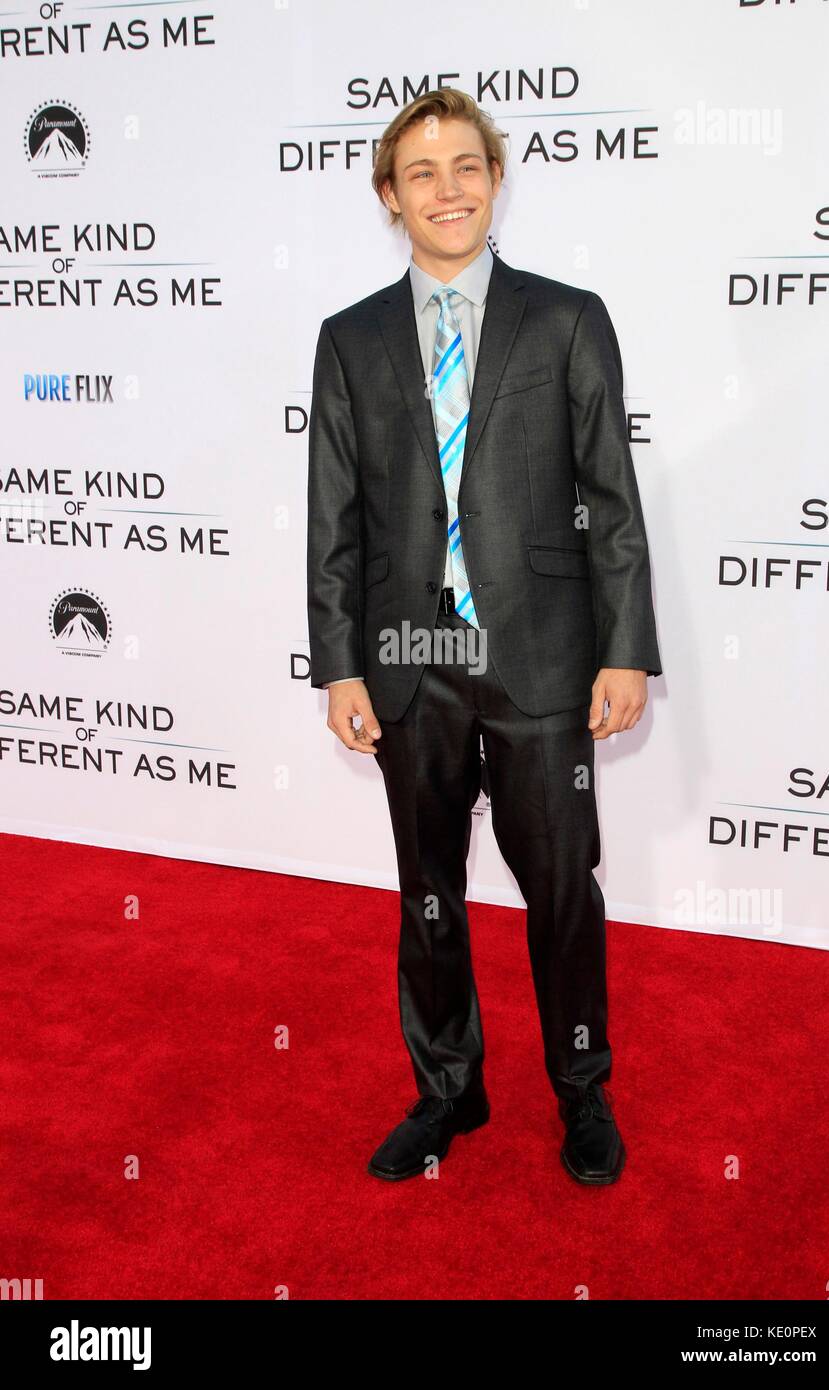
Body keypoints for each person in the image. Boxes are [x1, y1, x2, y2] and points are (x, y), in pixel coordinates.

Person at [306, 88, 662, 1186]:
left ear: (495, 180)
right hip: (409, 661)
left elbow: (608, 495)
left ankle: (582, 1091)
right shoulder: (350, 337)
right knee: (428, 891)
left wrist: (622, 646)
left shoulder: (564, 317)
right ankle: (447, 1091)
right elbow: (334, 512)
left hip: (544, 657)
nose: (447, 189)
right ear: (388, 197)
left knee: (561, 890)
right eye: (421, 173)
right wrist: (338, 663)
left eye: (466, 166)